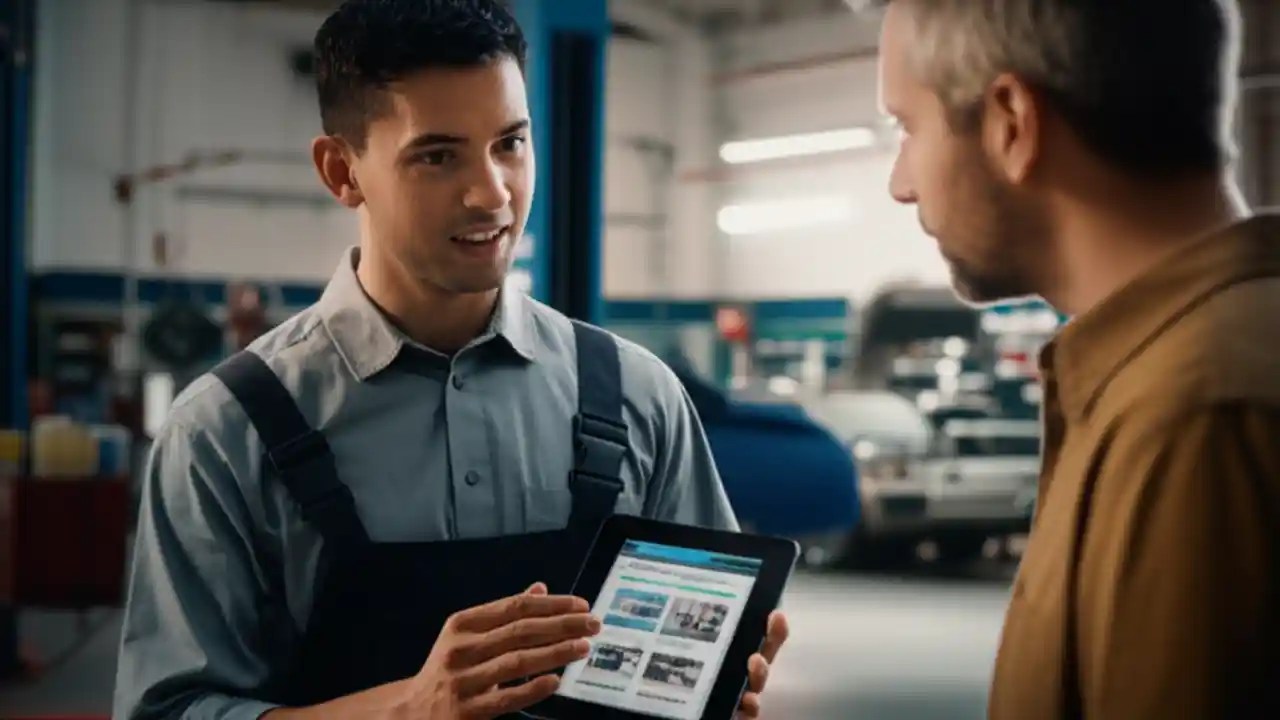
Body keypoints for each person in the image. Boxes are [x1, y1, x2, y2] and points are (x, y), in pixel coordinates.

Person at [113, 1, 788, 718]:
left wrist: (709, 689)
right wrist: (408, 711)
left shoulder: (638, 398)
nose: (492, 193)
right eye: (438, 156)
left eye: (511, 143)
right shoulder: (224, 434)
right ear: (342, 170)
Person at [872, 0, 1280, 717]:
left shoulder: (1197, 413)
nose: (901, 183)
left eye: (908, 128)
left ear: (1010, 124)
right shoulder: (1162, 373)